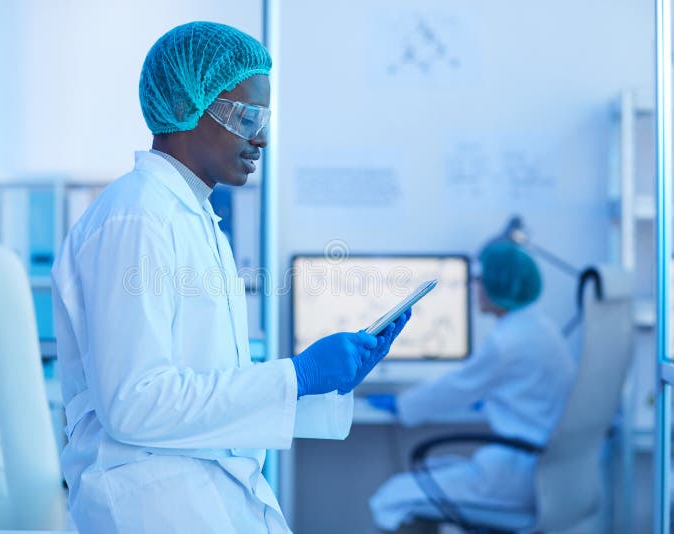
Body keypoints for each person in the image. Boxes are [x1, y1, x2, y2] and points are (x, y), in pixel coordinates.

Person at [51, 21, 409, 534]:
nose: (260, 137)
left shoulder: (193, 216)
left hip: (199, 486)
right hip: (152, 500)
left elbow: (205, 388)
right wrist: (296, 376)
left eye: (264, 118)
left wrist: (318, 385)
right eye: (246, 116)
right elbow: (135, 404)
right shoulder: (136, 216)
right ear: (187, 106)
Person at [367, 240, 577, 533]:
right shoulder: (541, 328)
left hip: (518, 474)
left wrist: (402, 405)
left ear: (498, 286)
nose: (475, 286)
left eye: (480, 279)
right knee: (438, 476)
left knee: (390, 497)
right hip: (544, 470)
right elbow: (523, 389)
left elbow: (457, 386)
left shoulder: (508, 341)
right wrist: (492, 399)